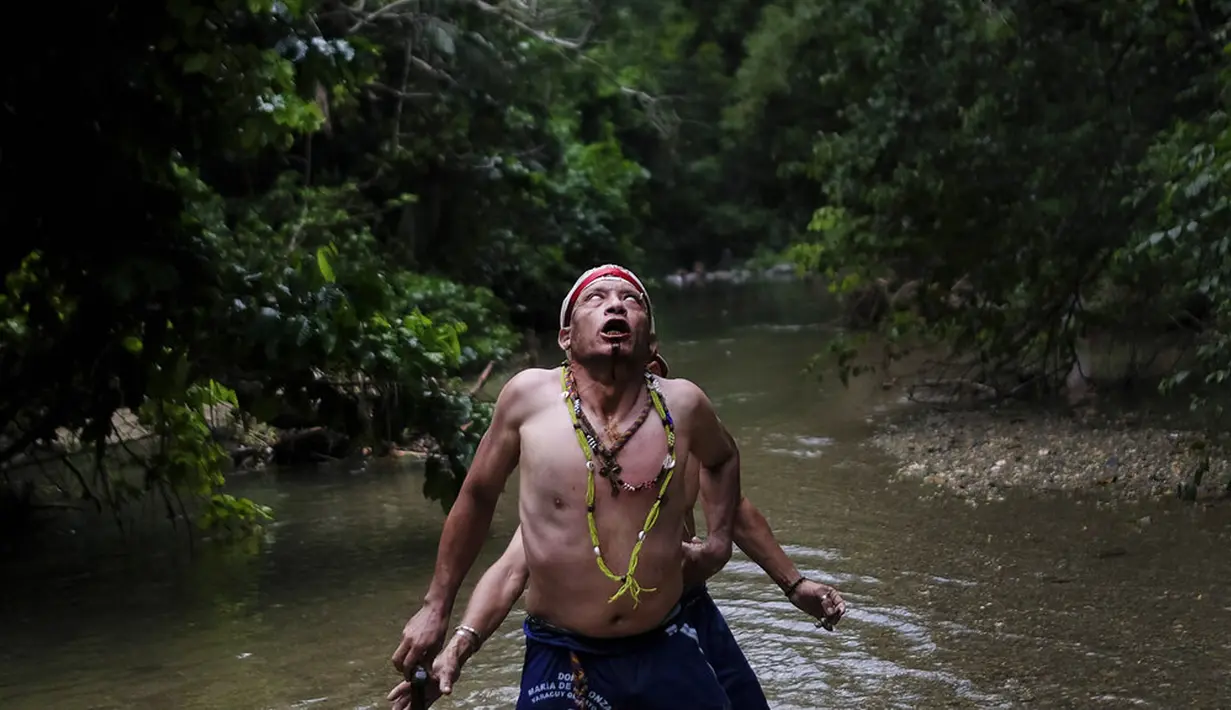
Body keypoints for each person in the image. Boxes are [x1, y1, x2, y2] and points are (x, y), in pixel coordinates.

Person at [387, 353, 847, 710]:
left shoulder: (683, 435)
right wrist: (457, 649)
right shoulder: (569, 468)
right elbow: (512, 567)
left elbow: (735, 511)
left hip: (682, 613)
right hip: (584, 643)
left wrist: (794, 584)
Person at [391, 265, 746, 709]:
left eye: (631, 300)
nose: (616, 305)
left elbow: (724, 458)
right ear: (565, 337)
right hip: (563, 654)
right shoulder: (527, 400)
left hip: (664, 642)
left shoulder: (684, 404)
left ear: (651, 342)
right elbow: (479, 499)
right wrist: (438, 612)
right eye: (596, 299)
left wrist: (719, 545)